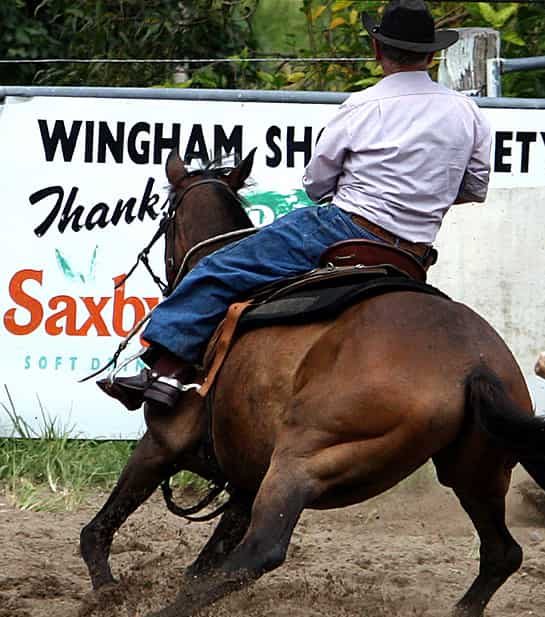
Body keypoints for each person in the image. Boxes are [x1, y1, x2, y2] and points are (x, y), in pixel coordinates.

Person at [99, 0, 492, 411]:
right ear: (433, 54)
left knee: (219, 267)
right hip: (413, 251)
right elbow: (474, 187)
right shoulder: (468, 113)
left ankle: (164, 368)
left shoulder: (361, 106)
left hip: (345, 228)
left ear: (377, 51)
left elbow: (316, 184)